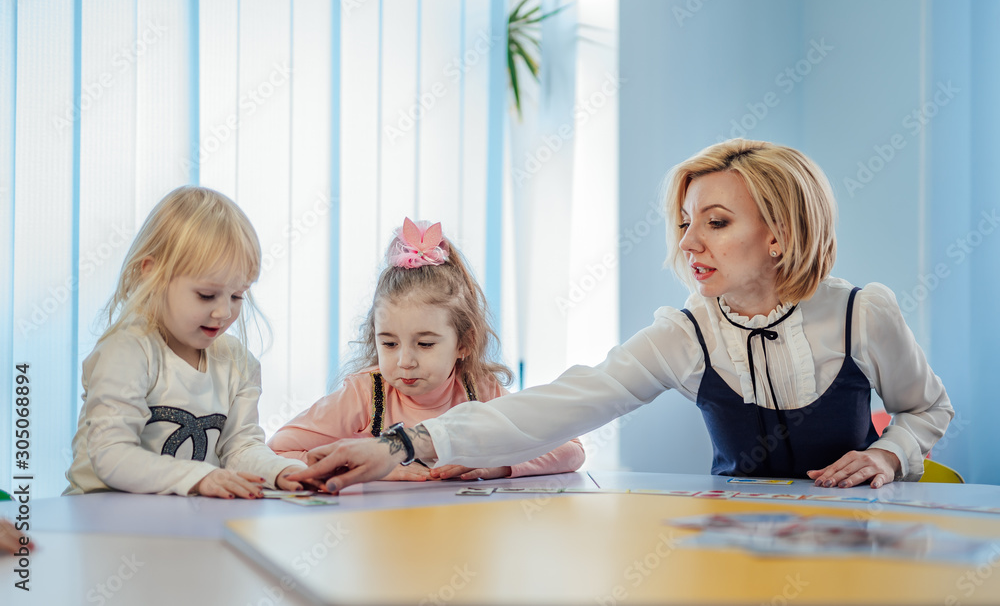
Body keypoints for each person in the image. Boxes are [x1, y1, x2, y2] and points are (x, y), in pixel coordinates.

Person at [288, 139, 954, 493]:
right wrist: (399, 446)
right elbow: (559, 405)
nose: (689, 243)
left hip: (867, 534)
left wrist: (891, 456)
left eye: (717, 223)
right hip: (735, 550)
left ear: (779, 234)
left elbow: (928, 411)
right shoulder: (685, 336)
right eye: (687, 222)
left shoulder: (864, 312)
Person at [269, 217, 584, 481]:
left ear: (465, 343)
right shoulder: (365, 395)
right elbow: (277, 450)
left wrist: (497, 466)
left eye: (425, 344)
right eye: (389, 343)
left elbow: (570, 449)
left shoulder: (481, 390)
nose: (405, 361)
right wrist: (378, 469)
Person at [65, 187, 305, 498]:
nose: (224, 312)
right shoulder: (127, 351)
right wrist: (200, 477)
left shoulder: (237, 362)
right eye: (206, 295)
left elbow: (240, 447)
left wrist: (283, 471)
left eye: (237, 296)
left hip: (182, 519)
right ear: (152, 276)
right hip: (98, 519)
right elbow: (111, 455)